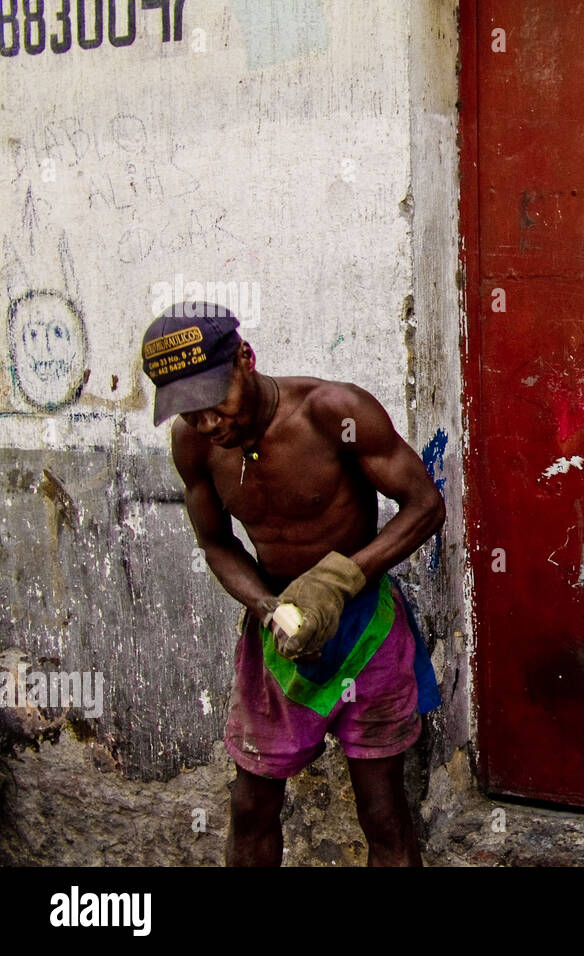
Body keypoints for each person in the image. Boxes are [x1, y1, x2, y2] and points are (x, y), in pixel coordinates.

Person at [141, 303, 445, 866]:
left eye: (215, 402)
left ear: (246, 360)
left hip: (366, 630)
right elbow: (217, 543)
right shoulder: (195, 445)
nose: (209, 422)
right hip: (277, 632)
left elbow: (425, 506)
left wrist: (340, 579)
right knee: (251, 806)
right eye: (190, 411)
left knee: (382, 809)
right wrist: (265, 606)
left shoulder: (333, 411)